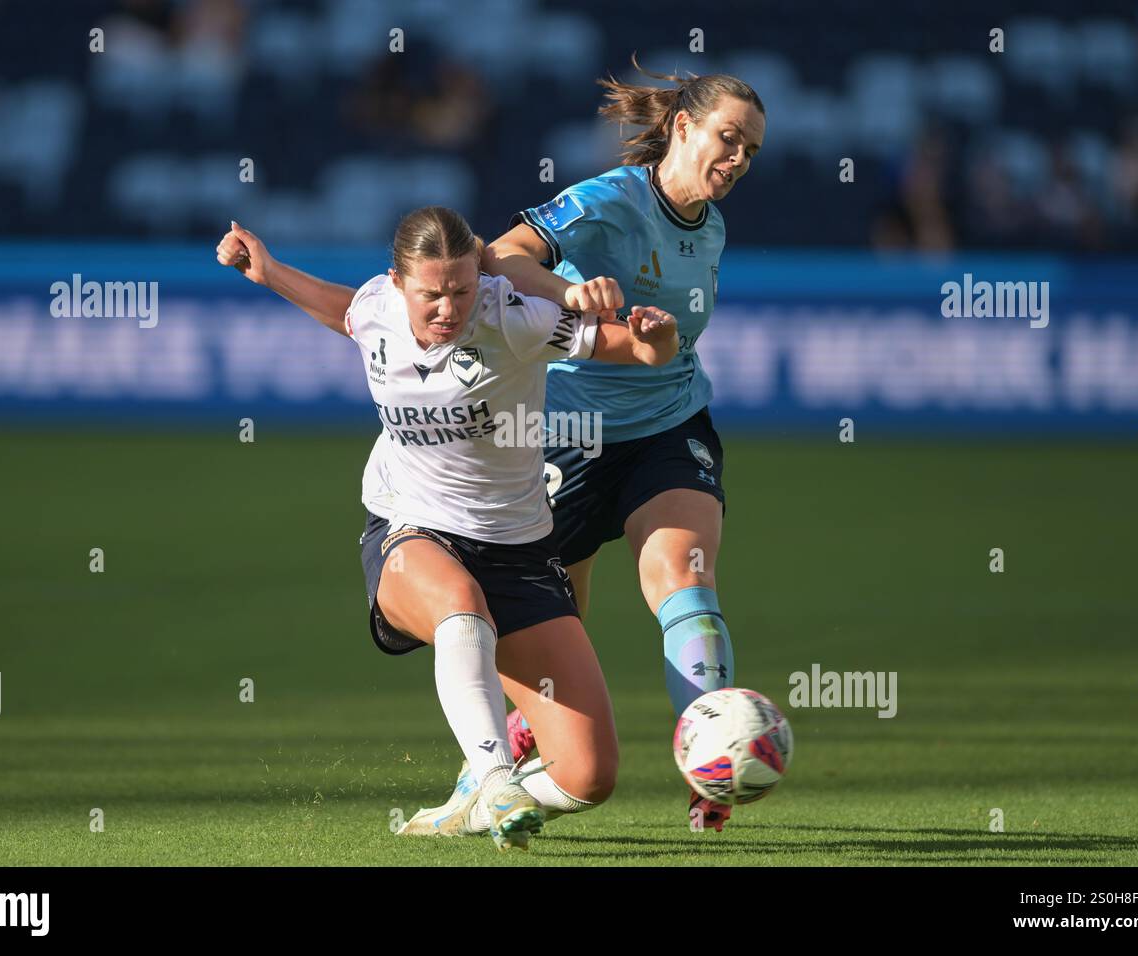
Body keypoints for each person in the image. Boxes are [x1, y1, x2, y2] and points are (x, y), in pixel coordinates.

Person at [215, 206, 679, 850]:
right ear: (398, 284)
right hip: (410, 530)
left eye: (461, 290)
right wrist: (269, 274)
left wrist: (658, 338)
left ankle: (478, 804)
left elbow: (636, 350)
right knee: (460, 611)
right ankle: (492, 776)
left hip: (518, 551)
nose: (447, 307)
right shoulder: (378, 305)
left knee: (590, 775)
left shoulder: (513, 316)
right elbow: (349, 314)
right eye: (430, 293)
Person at [480, 58, 765, 832]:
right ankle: (531, 736)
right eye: (728, 139)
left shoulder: (712, 227)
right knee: (556, 615)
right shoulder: (610, 199)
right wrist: (572, 293)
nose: (738, 160)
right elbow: (499, 257)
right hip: (566, 432)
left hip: (668, 426)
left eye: (750, 151)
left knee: (683, 572)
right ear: (682, 127)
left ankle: (712, 755)